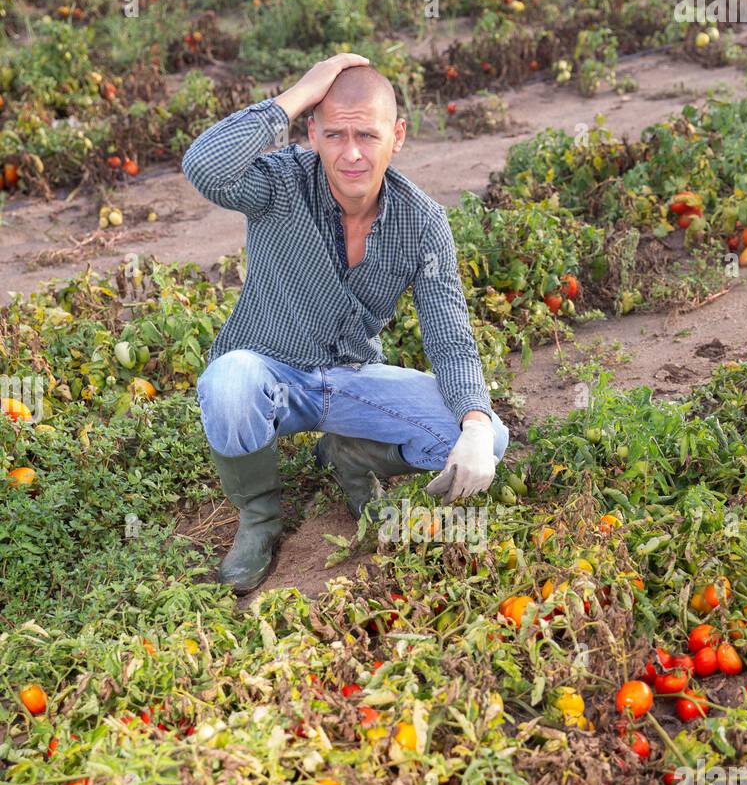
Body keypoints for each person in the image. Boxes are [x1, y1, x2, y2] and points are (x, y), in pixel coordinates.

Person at [182, 52, 509, 593]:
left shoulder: (423, 222)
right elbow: (205, 166)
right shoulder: (279, 185)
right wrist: (299, 91)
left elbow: (450, 339)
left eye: (368, 136)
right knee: (229, 379)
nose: (351, 154)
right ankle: (260, 517)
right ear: (311, 132)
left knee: (490, 437)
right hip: (273, 378)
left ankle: (351, 451)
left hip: (354, 380)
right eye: (334, 135)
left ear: (397, 136)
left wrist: (473, 424)